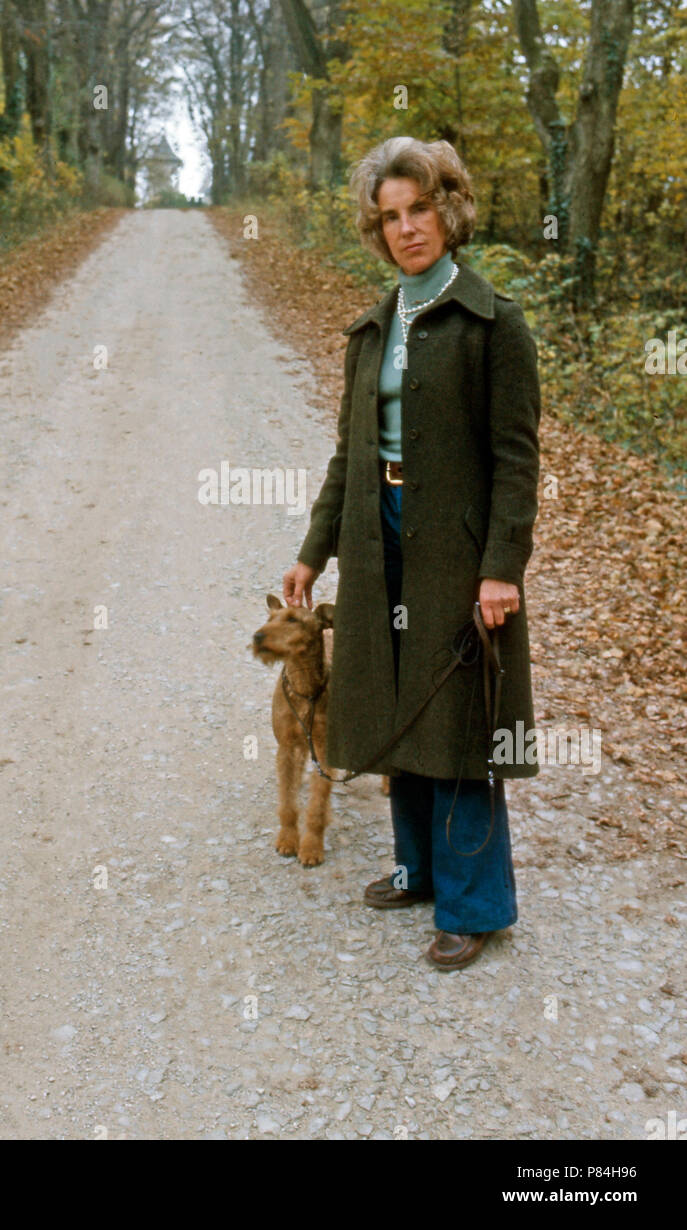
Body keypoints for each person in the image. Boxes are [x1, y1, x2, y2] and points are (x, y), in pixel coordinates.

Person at [283, 136, 541, 970]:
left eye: (418, 208)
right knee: (393, 695)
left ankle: (473, 906)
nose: (405, 228)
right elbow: (346, 458)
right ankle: (416, 869)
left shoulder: (492, 323)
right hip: (377, 529)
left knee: (459, 709)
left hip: (456, 545)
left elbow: (515, 457)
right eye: (389, 216)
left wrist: (500, 565)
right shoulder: (371, 329)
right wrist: (312, 554)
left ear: (448, 209)